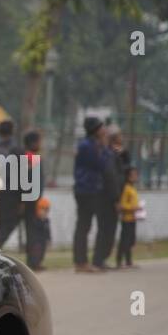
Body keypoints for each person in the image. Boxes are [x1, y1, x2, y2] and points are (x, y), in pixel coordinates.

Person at [72, 116, 107, 273]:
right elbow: (101, 165)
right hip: (86, 189)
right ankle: (81, 262)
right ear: (95, 129)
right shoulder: (89, 146)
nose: (104, 130)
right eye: (101, 127)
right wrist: (104, 148)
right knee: (83, 226)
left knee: (84, 225)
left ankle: (81, 261)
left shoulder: (89, 144)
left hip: (87, 188)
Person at [91, 127, 126, 270]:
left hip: (109, 196)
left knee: (108, 229)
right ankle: (99, 259)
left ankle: (101, 259)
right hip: (107, 198)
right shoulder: (107, 155)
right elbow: (111, 177)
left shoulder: (114, 154)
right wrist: (116, 199)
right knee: (106, 229)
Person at [0, 120, 25, 246]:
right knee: (8, 223)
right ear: (13, 131)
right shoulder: (17, 149)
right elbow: (22, 175)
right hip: (11, 192)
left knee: (1, 222)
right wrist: (22, 198)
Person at [20, 132, 49, 271]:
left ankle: (34, 261)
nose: (40, 144)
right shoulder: (30, 158)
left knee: (32, 232)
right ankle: (34, 262)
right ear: (33, 143)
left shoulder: (29, 157)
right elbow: (29, 180)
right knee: (34, 233)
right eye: (38, 141)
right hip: (32, 201)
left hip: (33, 200)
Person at [116, 165, 141, 269]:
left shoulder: (132, 188)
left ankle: (128, 261)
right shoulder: (126, 188)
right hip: (127, 218)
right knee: (124, 240)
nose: (136, 177)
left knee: (130, 240)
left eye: (137, 175)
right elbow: (122, 204)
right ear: (129, 176)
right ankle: (120, 261)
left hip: (133, 218)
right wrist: (132, 208)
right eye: (134, 175)